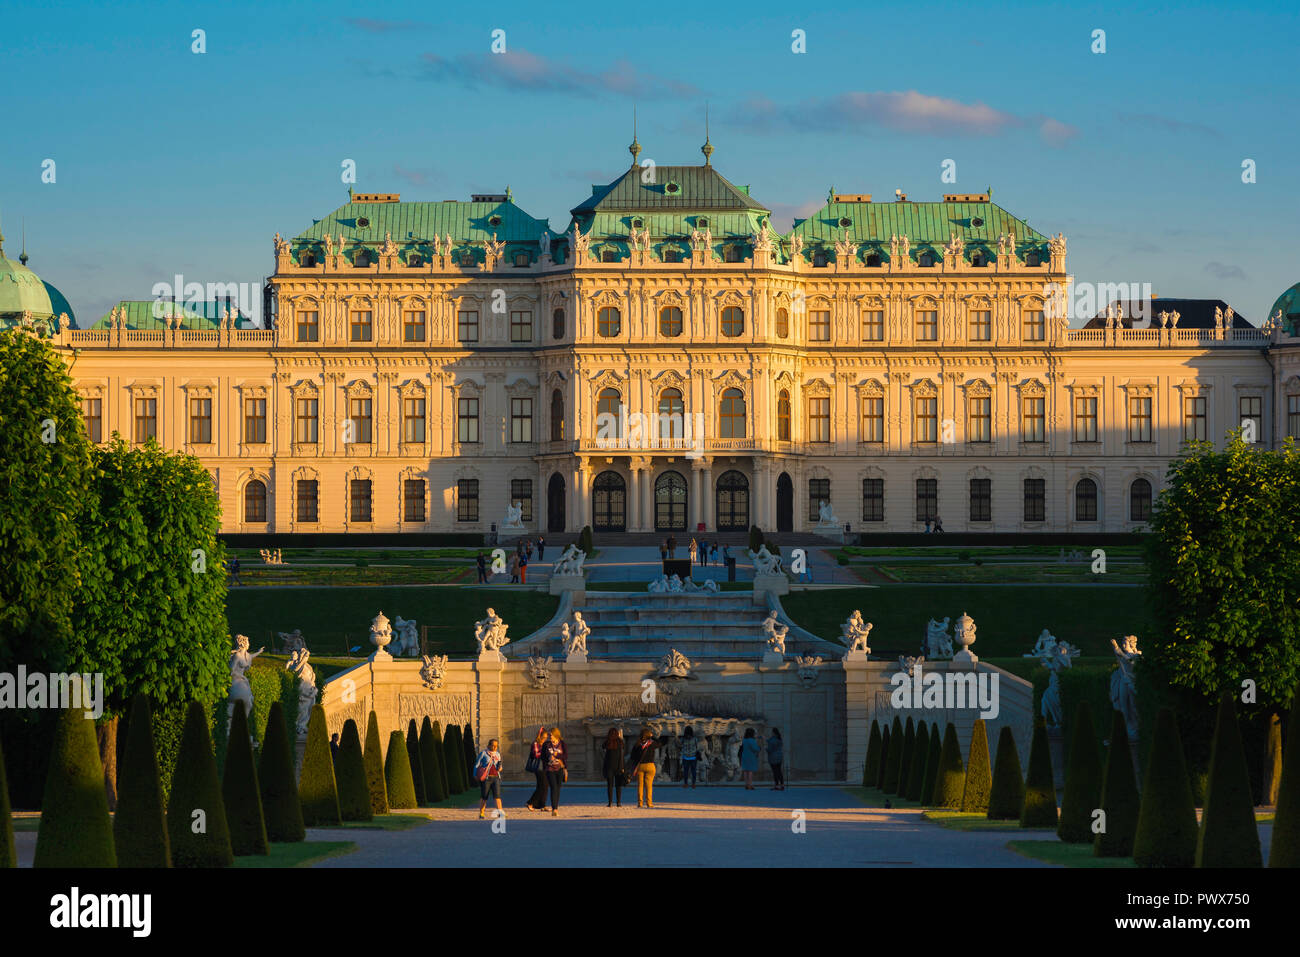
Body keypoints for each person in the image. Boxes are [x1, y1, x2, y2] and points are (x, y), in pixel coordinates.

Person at [628, 727, 660, 808]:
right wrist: (652, 737)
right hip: (650, 765)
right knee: (649, 785)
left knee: (640, 785)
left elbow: (632, 757)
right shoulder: (651, 743)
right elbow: (660, 743)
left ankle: (640, 803)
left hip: (640, 766)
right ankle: (649, 803)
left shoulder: (637, 744)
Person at [474, 738, 504, 819]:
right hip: (486, 778)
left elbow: (499, 765)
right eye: (493, 745)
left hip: (496, 777)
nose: (494, 747)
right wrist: (475, 775)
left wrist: (500, 768)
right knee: (484, 796)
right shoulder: (483, 753)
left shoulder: (497, 754)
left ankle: (500, 812)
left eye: (496, 746)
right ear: (489, 745)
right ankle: (482, 813)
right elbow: (476, 765)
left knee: (497, 796)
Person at [542, 726, 568, 816]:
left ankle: (556, 806)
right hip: (550, 769)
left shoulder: (562, 744)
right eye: (549, 735)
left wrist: (557, 756)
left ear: (556, 735)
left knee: (558, 788)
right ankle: (555, 809)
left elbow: (565, 756)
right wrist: (549, 758)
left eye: (551, 735)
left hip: (560, 768)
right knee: (553, 787)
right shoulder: (546, 744)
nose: (550, 736)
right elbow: (542, 757)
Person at [524, 726, 548, 811]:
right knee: (543, 786)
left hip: (545, 767)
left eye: (546, 737)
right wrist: (545, 753)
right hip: (538, 767)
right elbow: (535, 754)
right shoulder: (535, 743)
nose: (545, 739)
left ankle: (542, 805)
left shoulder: (545, 744)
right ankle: (530, 802)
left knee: (543, 786)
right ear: (539, 736)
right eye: (544, 737)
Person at [602, 728, 626, 807]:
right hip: (618, 766)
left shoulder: (608, 742)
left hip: (609, 767)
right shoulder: (620, 742)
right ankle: (618, 802)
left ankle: (610, 802)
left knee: (610, 785)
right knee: (618, 786)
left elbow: (603, 746)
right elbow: (621, 755)